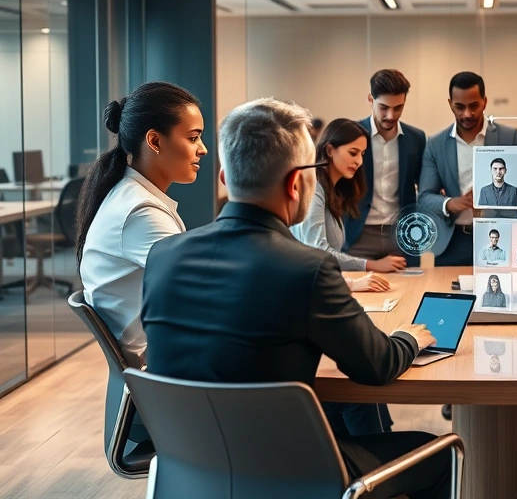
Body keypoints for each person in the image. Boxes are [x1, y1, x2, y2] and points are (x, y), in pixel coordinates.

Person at [140, 98, 453, 499]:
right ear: (295, 184)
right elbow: (377, 365)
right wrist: (410, 337)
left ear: (224, 177)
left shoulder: (162, 256)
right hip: (288, 472)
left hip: (188, 468)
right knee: (439, 453)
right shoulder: (307, 269)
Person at [76, 80, 208, 454]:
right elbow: (202, 292)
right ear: (154, 141)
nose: (202, 148)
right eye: (193, 137)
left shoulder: (132, 196)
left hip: (158, 378)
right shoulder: (140, 212)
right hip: (164, 392)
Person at [418, 71, 517, 267]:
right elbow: (424, 198)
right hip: (453, 242)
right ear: (450, 104)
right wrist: (453, 203)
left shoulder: (510, 137)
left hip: (501, 236)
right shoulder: (436, 143)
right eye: (459, 107)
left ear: (484, 102)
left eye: (474, 106)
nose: (467, 114)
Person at [292, 118, 405, 292]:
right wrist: (370, 265)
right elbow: (318, 251)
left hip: (321, 285)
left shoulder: (333, 190)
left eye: (362, 154)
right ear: (330, 150)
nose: (359, 161)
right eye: (353, 153)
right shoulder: (315, 187)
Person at [344, 70, 427, 264]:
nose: (391, 115)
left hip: (401, 237)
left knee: (411, 284)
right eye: (384, 107)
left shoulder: (416, 138)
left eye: (398, 108)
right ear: (370, 100)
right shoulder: (351, 135)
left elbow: (424, 185)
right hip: (358, 235)